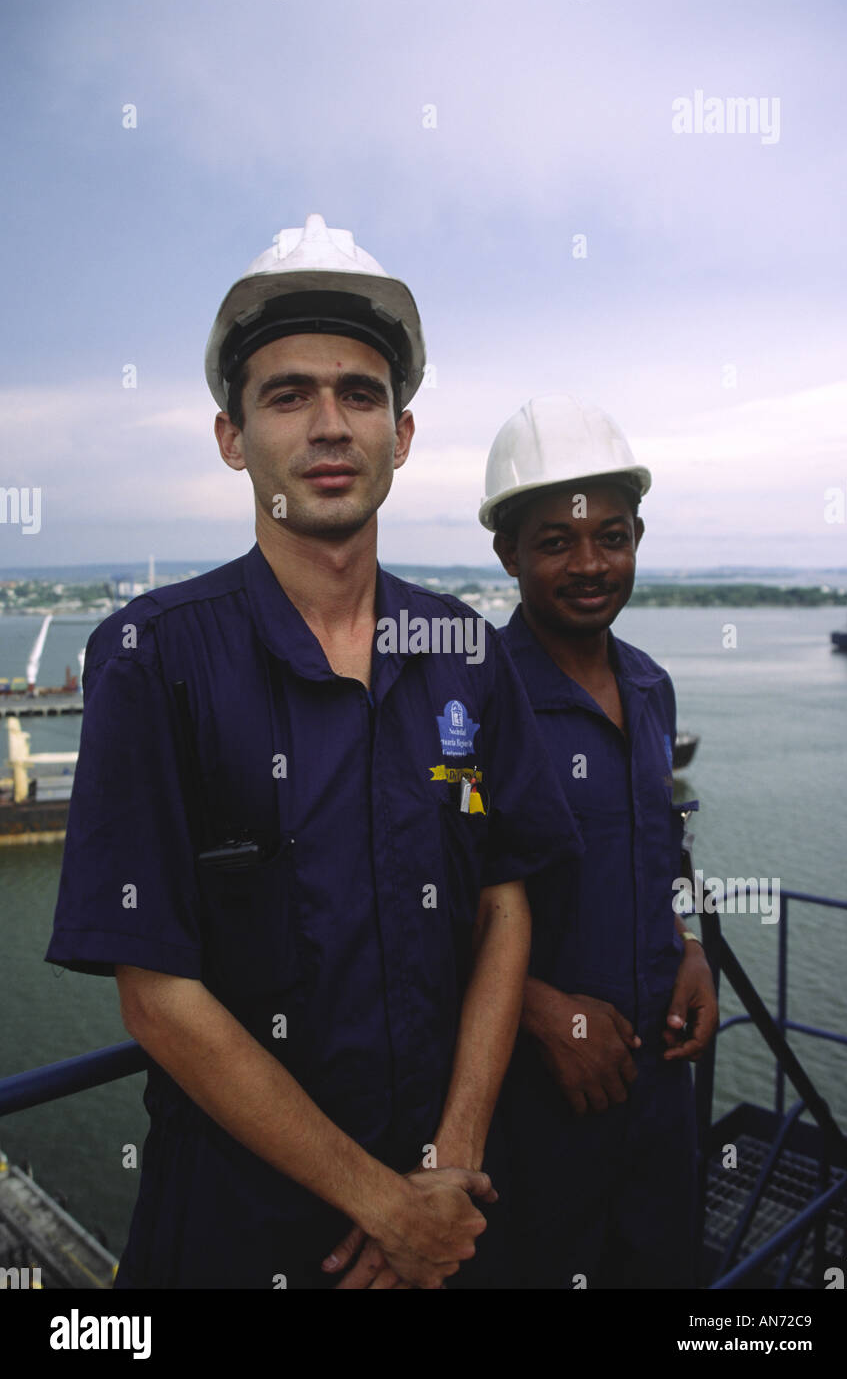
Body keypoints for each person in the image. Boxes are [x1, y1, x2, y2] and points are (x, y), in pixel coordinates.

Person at [46, 220, 580, 1290]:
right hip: (236, 1232)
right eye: (287, 395)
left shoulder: (463, 652)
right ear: (231, 437)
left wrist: (449, 1162)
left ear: (405, 431)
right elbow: (155, 992)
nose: (329, 426)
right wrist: (381, 1201)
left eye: (360, 393)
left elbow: (504, 899)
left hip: (447, 1221)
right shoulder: (154, 660)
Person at [480, 394, 719, 1289]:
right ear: (508, 553)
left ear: (638, 538)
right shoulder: (469, 704)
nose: (590, 564)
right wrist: (539, 1010)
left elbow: (660, 856)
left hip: (657, 1099)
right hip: (531, 1106)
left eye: (612, 537)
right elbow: (417, 897)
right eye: (556, 542)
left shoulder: (651, 687)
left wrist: (686, 945)